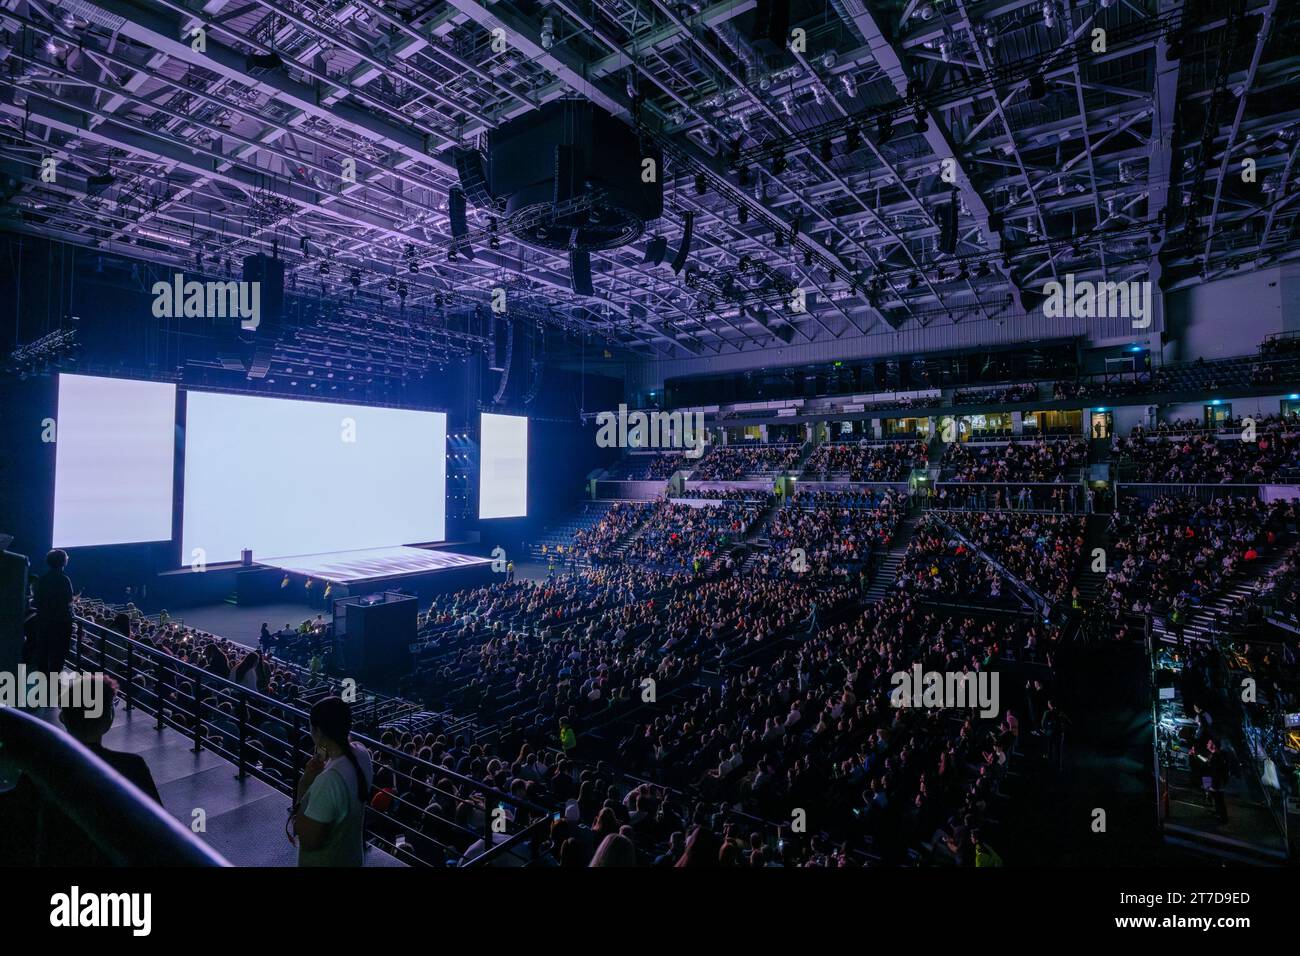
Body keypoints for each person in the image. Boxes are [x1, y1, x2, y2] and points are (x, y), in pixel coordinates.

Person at [292, 696, 374, 866]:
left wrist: (303, 786)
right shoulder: (362, 754)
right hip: (352, 858)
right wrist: (323, 745)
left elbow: (308, 840)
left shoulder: (329, 781)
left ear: (319, 732)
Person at [60, 673, 162, 805]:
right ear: (109, 720)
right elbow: (157, 818)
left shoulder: (43, 765)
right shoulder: (133, 767)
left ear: (63, 717)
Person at [30, 549, 74, 673]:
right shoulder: (64, 579)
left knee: (43, 654)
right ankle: (53, 687)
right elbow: (68, 600)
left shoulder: (42, 580)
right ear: (64, 562)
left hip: (43, 622)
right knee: (58, 657)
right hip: (61, 624)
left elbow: (37, 600)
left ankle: (43, 684)